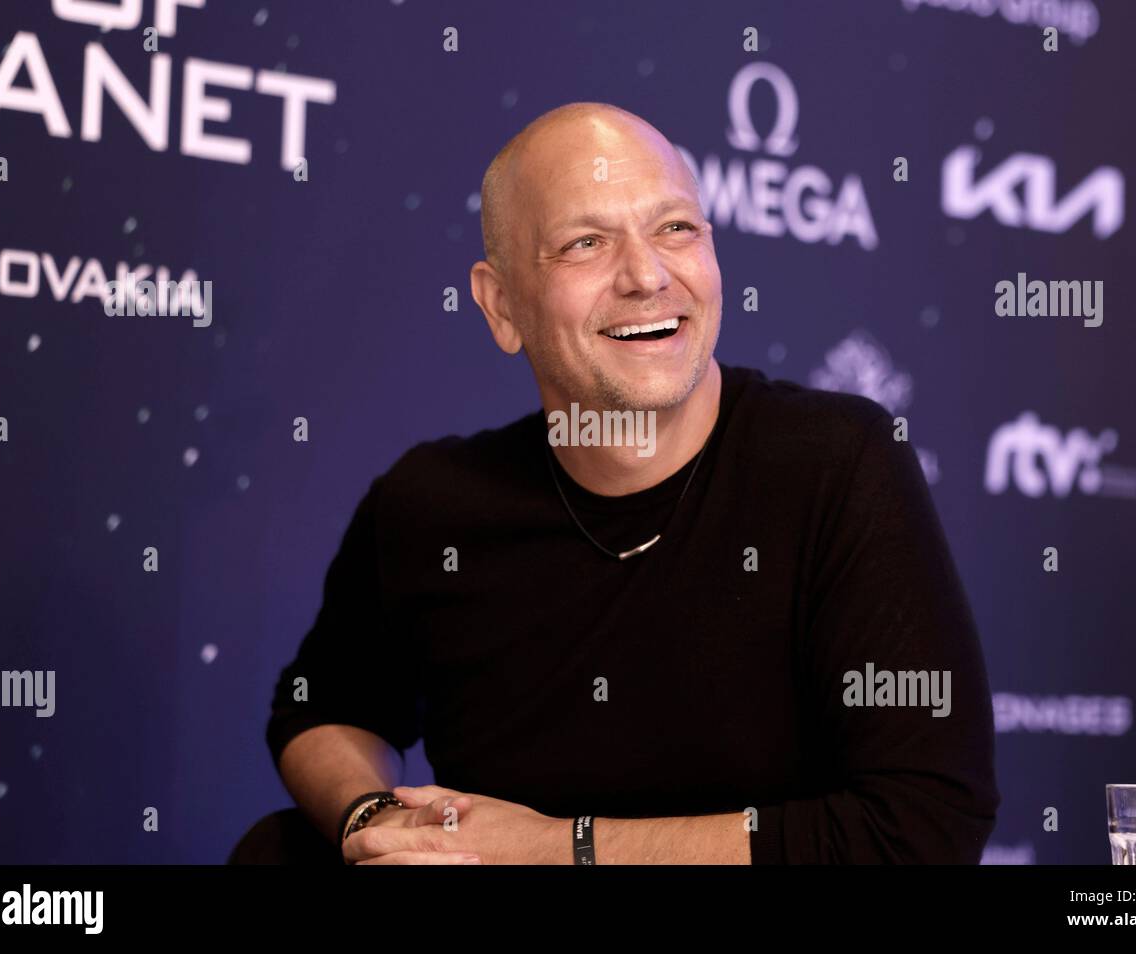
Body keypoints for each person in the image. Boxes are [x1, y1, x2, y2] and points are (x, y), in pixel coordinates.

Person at [258, 102, 999, 865]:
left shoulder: (837, 463)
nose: (647, 275)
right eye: (585, 243)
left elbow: (921, 826)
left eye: (677, 229)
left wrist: (557, 850)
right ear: (501, 305)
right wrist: (378, 821)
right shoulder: (432, 506)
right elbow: (321, 708)